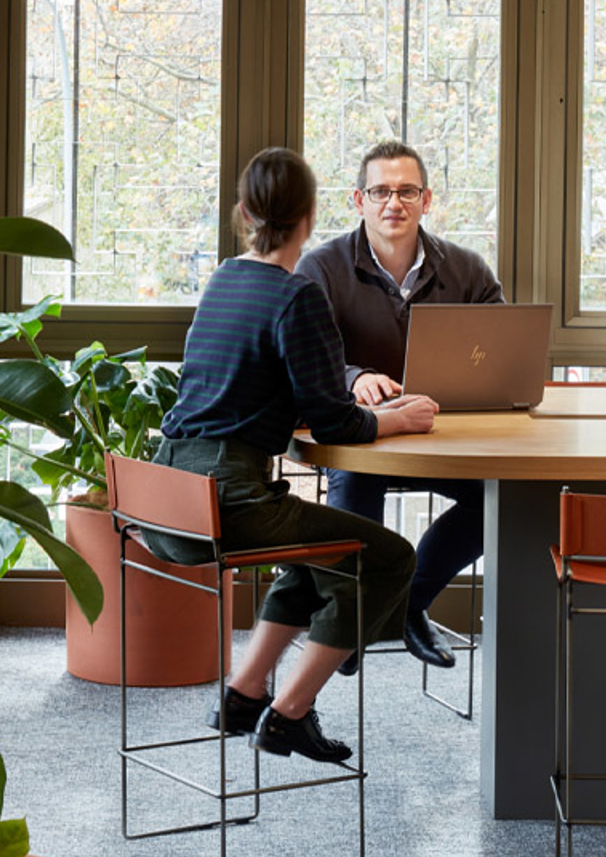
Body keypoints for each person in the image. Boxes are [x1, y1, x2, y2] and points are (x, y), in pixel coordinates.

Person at [146, 147, 438, 763]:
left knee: (318, 556)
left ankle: (244, 693)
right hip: (232, 498)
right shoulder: (297, 295)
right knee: (386, 557)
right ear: (310, 216)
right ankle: (289, 714)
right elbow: (335, 420)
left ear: (247, 212)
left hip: (169, 492)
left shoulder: (224, 277)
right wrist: (395, 419)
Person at [296, 141, 503, 673]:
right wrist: (353, 376)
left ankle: (407, 604)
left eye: (407, 191)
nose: (395, 203)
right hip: (361, 434)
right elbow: (298, 352)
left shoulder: (466, 269)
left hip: (442, 433)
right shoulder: (320, 268)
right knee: (355, 515)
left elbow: (501, 347)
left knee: (500, 501)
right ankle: (351, 622)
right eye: (381, 191)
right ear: (358, 199)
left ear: (426, 199)